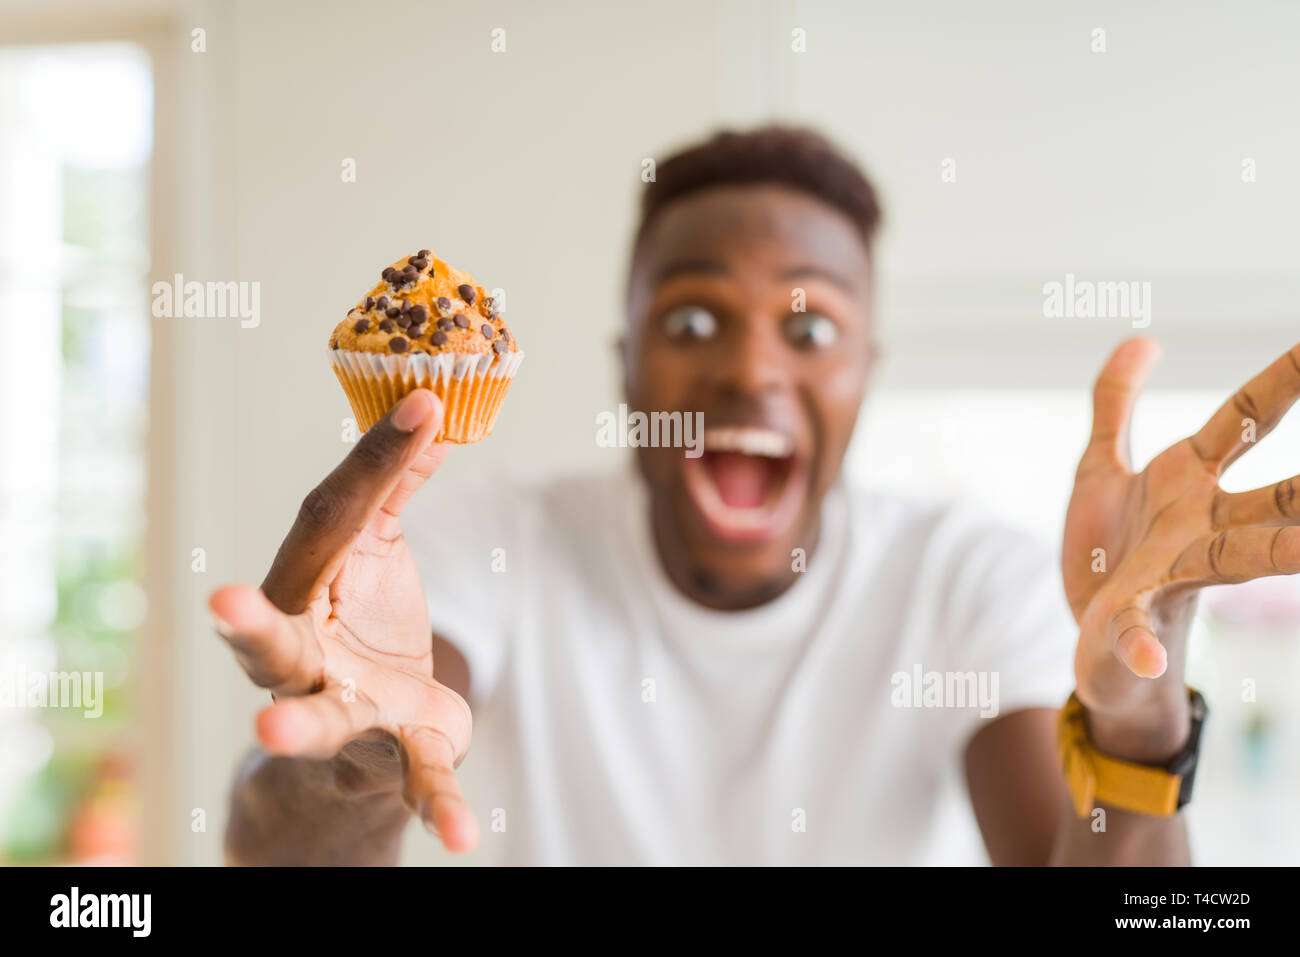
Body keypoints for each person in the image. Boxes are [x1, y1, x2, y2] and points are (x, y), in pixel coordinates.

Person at [211, 127, 1300, 865]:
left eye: (810, 327)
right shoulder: (487, 542)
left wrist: (1143, 717)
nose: (749, 371)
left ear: (866, 370)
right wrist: (351, 762)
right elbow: (273, 844)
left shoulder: (961, 581)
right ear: (624, 365)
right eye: (690, 322)